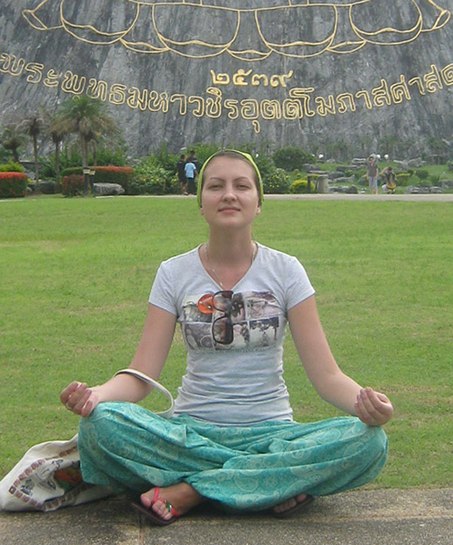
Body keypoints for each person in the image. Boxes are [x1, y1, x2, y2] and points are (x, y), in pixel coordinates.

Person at [61, 149, 393, 526]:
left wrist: (368, 406)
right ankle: (266, 483)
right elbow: (142, 375)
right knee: (99, 426)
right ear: (201, 203)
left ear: (258, 203)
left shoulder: (286, 271)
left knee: (369, 441)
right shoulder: (173, 273)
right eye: (216, 186)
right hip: (189, 435)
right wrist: (97, 396)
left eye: (242, 186)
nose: (229, 195)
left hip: (271, 434)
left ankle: (193, 491)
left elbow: (327, 377)